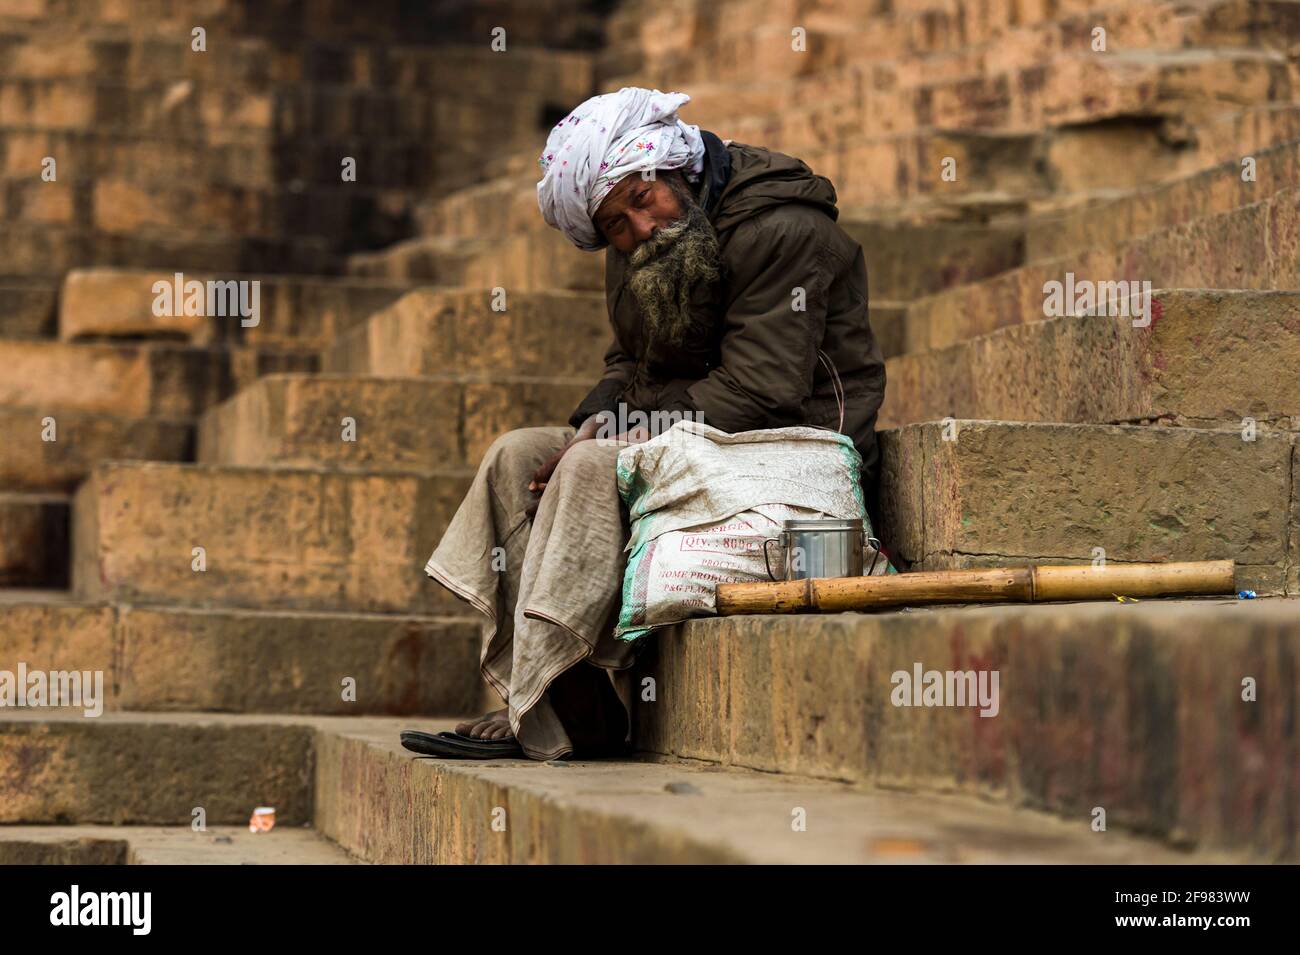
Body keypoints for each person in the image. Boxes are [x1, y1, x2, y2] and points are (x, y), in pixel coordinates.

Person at [401, 86, 885, 762]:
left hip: (791, 441)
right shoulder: (633, 245)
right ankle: (571, 701)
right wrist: (599, 419)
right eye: (614, 224)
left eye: (641, 197)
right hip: (688, 432)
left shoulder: (784, 227)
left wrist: (626, 437)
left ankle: (546, 707)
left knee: (596, 465)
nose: (639, 228)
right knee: (520, 454)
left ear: (670, 163)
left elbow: (762, 388)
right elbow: (628, 357)